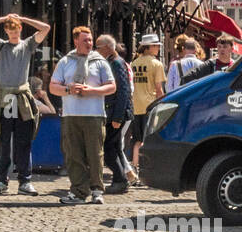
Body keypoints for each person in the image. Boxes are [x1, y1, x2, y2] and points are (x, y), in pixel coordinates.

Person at [0, 12, 49, 195]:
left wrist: (24, 18)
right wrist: (1, 19)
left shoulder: (28, 45)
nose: (12, 32)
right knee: (5, 141)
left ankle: (25, 180)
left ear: (20, 29)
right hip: (7, 98)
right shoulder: (1, 46)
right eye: (9, 29)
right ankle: (2, 180)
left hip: (22, 97)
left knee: (23, 140)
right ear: (6, 31)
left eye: (15, 28)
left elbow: (45, 28)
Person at [48, 25, 115, 204]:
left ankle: (96, 190)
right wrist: (68, 90)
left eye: (91, 40)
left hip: (94, 115)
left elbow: (111, 86)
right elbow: (53, 87)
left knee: (95, 153)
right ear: (76, 41)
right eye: (85, 40)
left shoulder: (99, 61)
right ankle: (78, 191)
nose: (89, 43)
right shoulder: (65, 61)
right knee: (73, 154)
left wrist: (92, 90)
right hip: (71, 115)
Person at [95, 34, 133, 193]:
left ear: (108, 48)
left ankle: (120, 179)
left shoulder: (116, 63)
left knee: (108, 147)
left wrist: (117, 117)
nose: (96, 50)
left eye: (98, 47)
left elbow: (123, 91)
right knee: (115, 147)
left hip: (117, 114)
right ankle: (122, 179)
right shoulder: (110, 62)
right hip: (113, 112)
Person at [130, 33, 166, 184]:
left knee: (137, 141)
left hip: (135, 106)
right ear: (148, 47)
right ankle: (147, 172)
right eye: (156, 45)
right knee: (149, 140)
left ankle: (134, 171)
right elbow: (159, 89)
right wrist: (163, 104)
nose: (158, 48)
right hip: (150, 106)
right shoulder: (156, 64)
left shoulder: (134, 63)